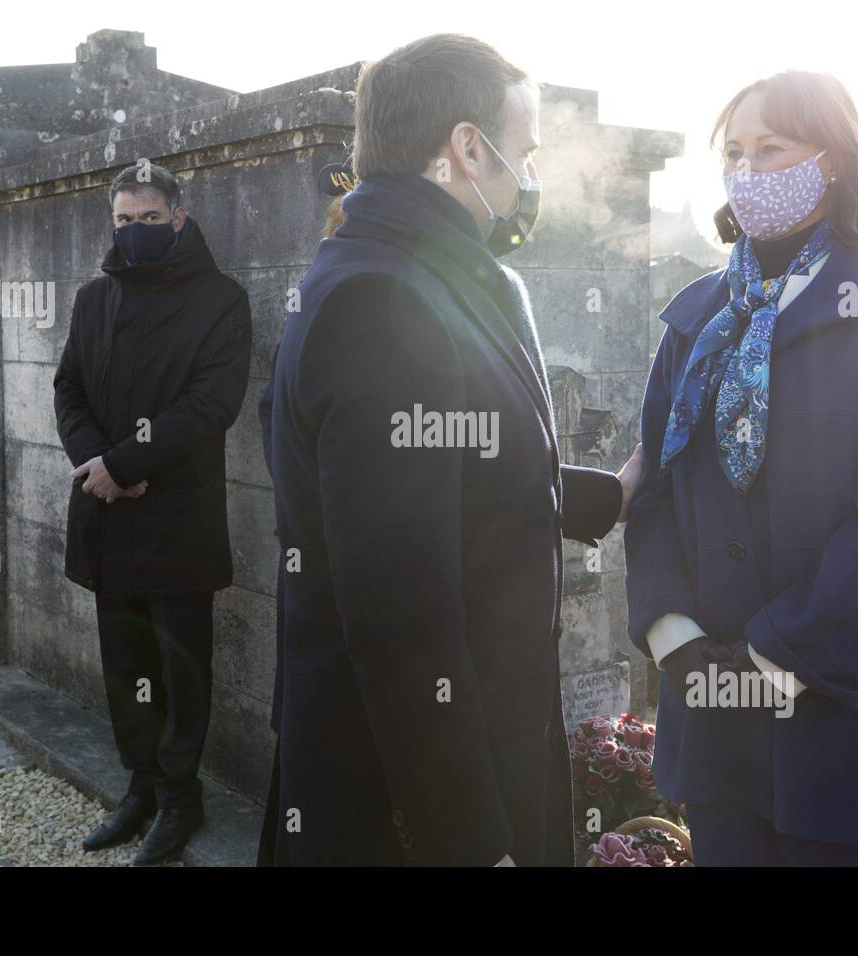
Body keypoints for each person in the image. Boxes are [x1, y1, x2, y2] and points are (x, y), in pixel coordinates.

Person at [258, 34, 643, 867]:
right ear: (469, 147)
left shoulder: (421, 271)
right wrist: (470, 841)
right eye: (525, 150)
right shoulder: (382, 301)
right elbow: (401, 610)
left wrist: (611, 494)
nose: (529, 174)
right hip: (410, 784)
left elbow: (462, 475)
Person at [625, 71, 858, 865]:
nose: (747, 171)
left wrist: (777, 657)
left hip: (834, 713)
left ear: (833, 157)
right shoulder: (697, 314)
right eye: (734, 152)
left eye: (771, 149)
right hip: (710, 705)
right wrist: (678, 639)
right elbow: (657, 489)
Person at [53, 161, 252, 865]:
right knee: (124, 664)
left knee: (178, 666)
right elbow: (69, 387)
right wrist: (94, 463)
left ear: (179, 217)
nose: (136, 232)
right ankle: (139, 787)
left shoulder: (221, 300)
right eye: (123, 221)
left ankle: (179, 797)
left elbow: (211, 403)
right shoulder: (92, 299)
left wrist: (125, 465)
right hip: (106, 511)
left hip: (174, 519)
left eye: (149, 219)